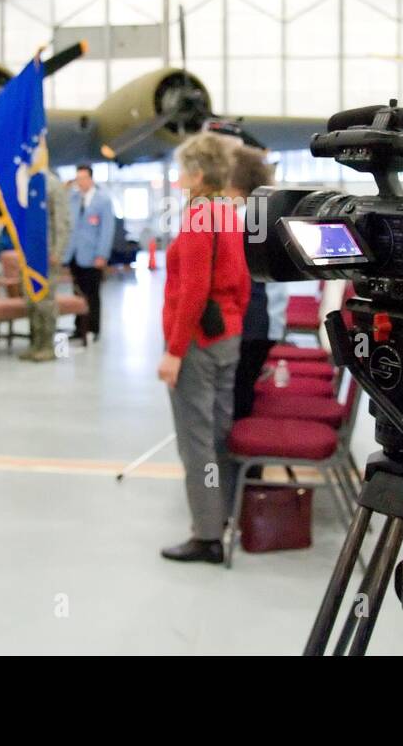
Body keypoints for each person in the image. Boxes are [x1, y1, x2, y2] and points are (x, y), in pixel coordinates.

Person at [158, 133, 250, 564]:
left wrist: (175, 350)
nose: (179, 179)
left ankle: (207, 534)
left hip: (198, 341)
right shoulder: (231, 213)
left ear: (197, 174)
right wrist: (235, 320)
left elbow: (192, 290)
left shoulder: (198, 217)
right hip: (228, 336)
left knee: (195, 441)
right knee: (219, 432)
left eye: (182, 171)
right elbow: (246, 282)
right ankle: (223, 514)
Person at [225, 145, 289, 420]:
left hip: (252, 321)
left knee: (238, 398)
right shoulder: (263, 212)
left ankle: (242, 460)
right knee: (243, 389)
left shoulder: (242, 218)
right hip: (266, 320)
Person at [20, 174, 71, 362]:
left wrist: (57, 252)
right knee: (30, 301)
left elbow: (62, 222)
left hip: (46, 254)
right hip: (28, 254)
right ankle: (35, 343)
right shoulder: (24, 181)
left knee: (45, 301)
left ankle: (48, 345)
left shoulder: (52, 185)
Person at [63, 165, 115, 344]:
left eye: (83, 178)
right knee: (77, 292)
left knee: (92, 294)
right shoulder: (73, 198)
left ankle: (93, 328)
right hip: (75, 254)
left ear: (91, 179)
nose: (80, 182)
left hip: (92, 255)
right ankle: (79, 328)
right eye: (78, 179)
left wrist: (102, 254)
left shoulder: (103, 201)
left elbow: (107, 230)